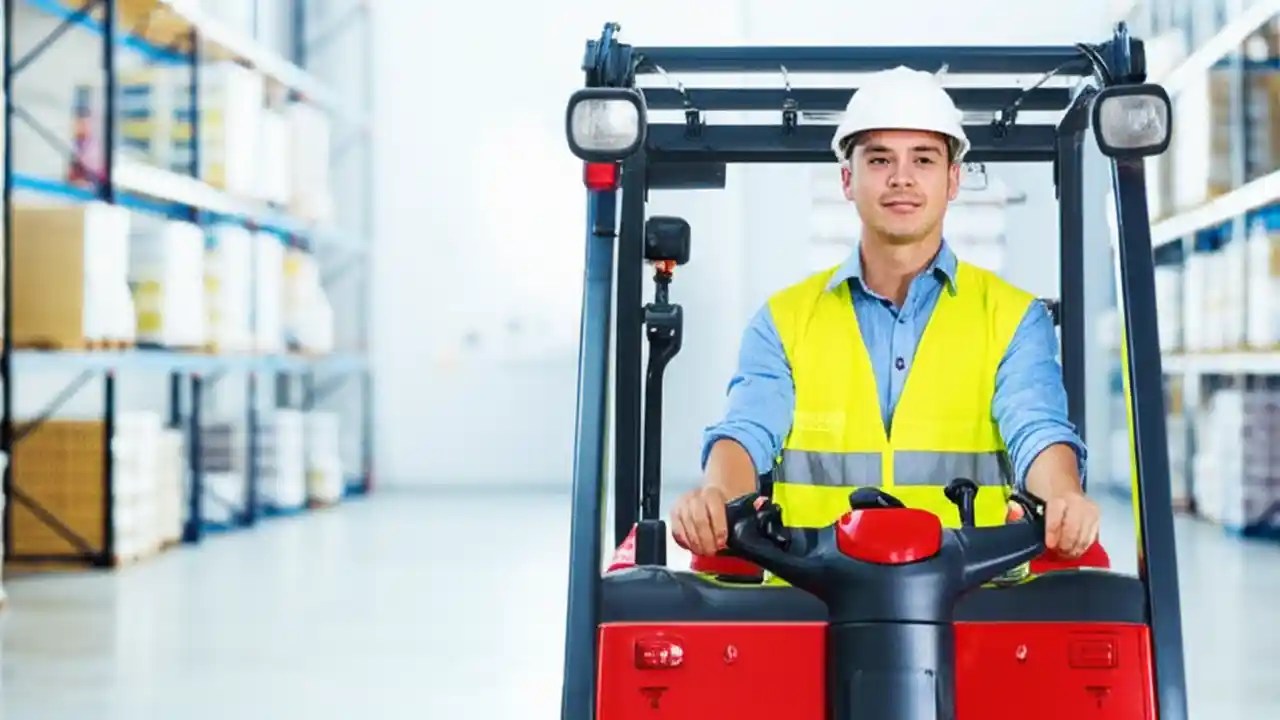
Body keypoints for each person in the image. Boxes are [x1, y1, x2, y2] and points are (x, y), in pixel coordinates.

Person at [670, 66, 1100, 563]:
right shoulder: (783, 321)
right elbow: (745, 431)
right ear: (848, 179)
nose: (902, 178)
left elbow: (1038, 430)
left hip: (972, 605)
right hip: (814, 602)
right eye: (880, 160)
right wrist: (718, 499)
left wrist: (1063, 494)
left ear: (953, 179)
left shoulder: (1014, 319)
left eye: (923, 159)